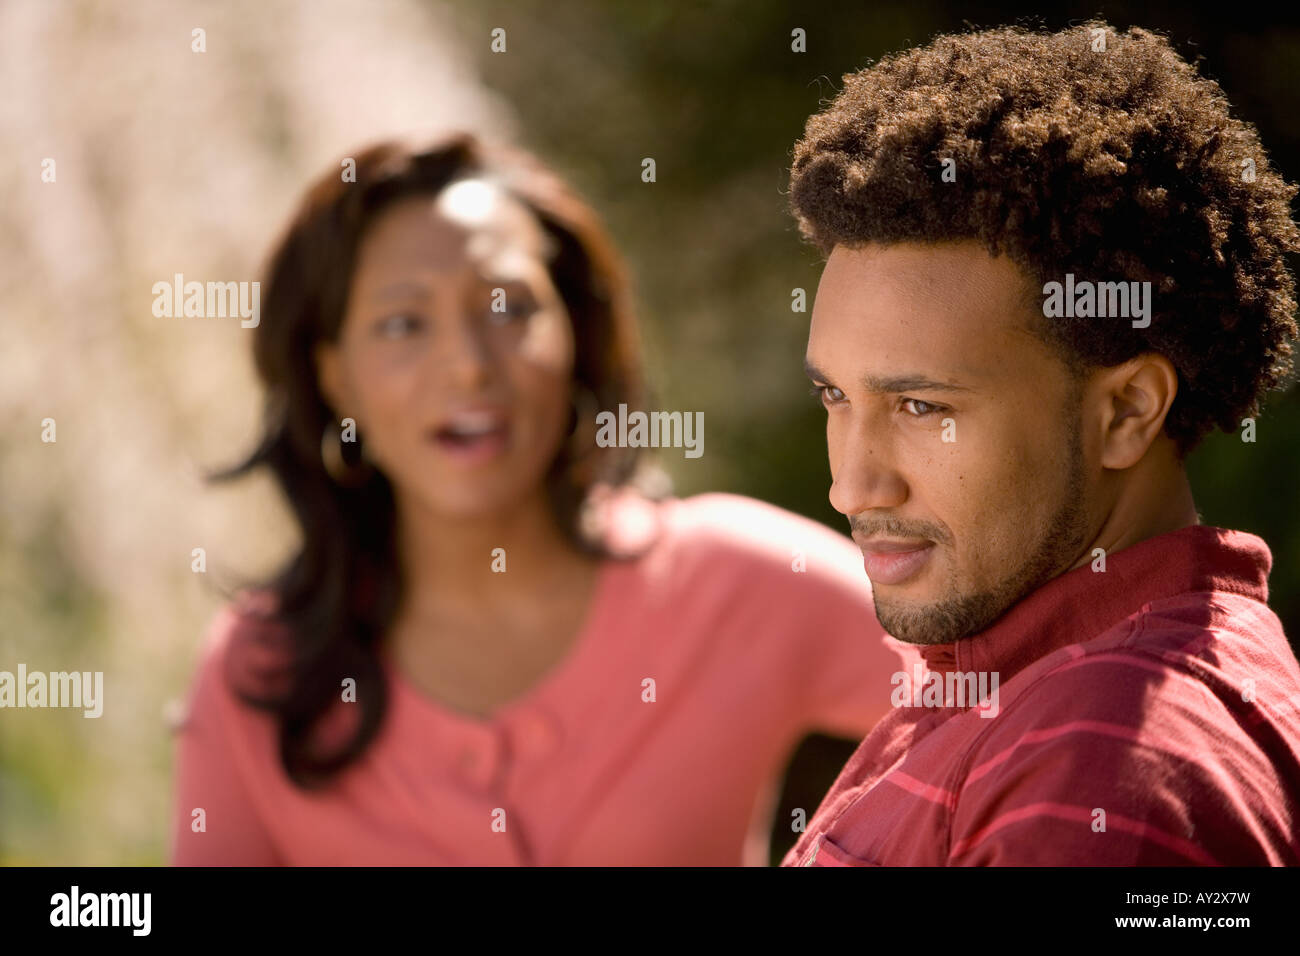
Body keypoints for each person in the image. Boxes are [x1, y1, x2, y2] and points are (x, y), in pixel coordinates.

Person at [169, 132, 911, 866]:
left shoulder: (738, 579)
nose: (467, 365)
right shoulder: (260, 669)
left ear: (575, 335)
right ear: (335, 378)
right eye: (403, 323)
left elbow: (1012, 701)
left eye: (508, 308)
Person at [784, 20, 1300, 866]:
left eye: (920, 405)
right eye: (835, 396)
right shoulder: (1029, 684)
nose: (853, 487)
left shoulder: (1105, 757)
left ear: (1128, 411)